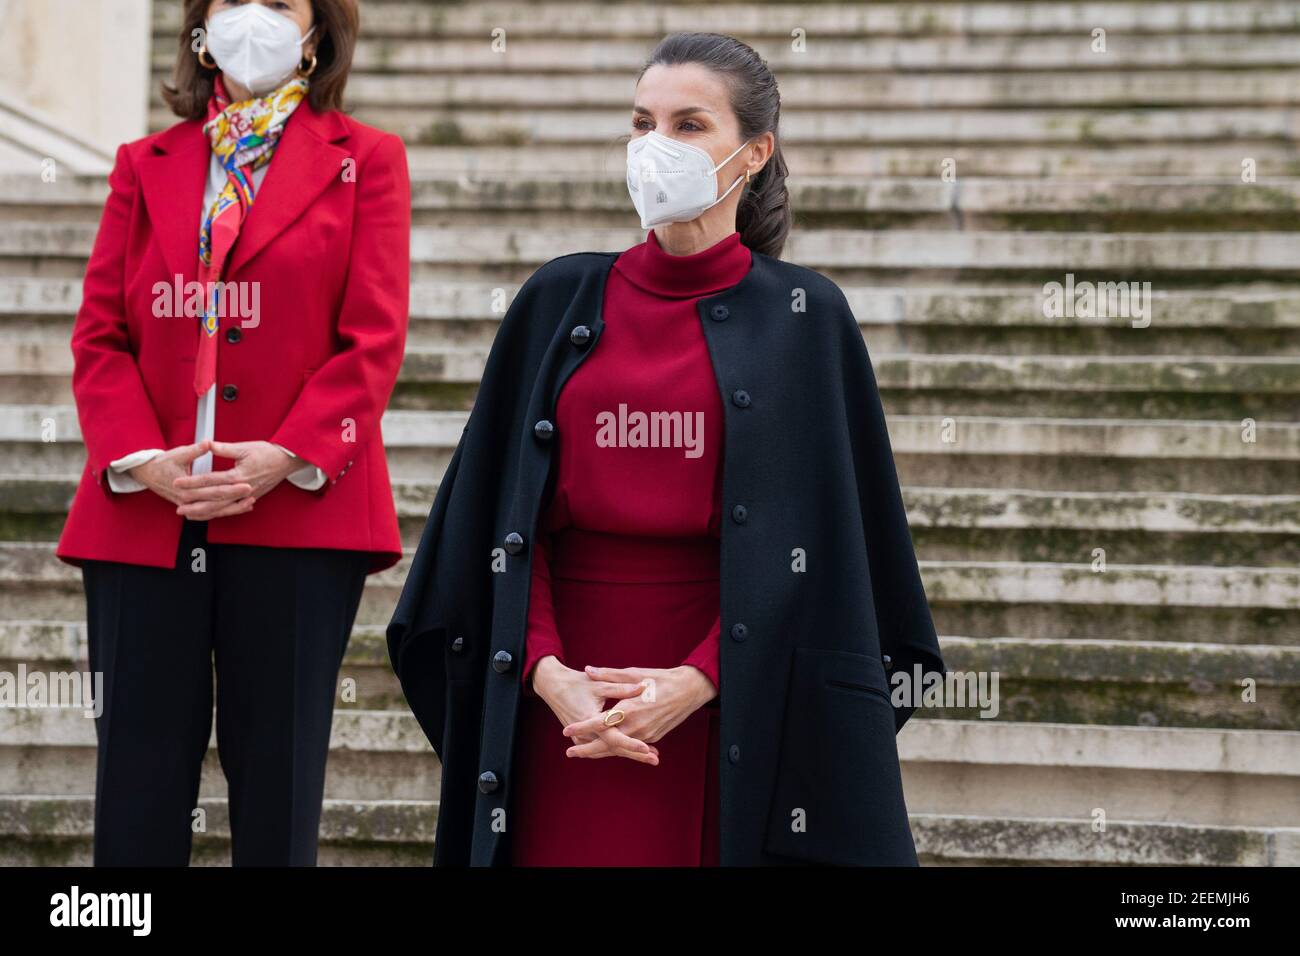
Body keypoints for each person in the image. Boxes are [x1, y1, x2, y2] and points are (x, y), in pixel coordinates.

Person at [388, 32, 945, 866]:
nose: (656, 146)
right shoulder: (554, 299)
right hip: (561, 709)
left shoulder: (807, 318)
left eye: (689, 125)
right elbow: (495, 524)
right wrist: (545, 672)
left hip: (726, 711)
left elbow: (827, 554)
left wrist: (703, 679)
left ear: (754, 153)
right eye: (642, 123)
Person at [55, 0, 411, 866]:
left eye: (280, 2)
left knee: (277, 790)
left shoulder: (367, 160)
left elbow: (372, 336)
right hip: (148, 514)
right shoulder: (143, 164)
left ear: (317, 33)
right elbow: (100, 336)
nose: (254, 15)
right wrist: (143, 459)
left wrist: (288, 454)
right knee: (136, 790)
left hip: (295, 513)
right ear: (202, 28)